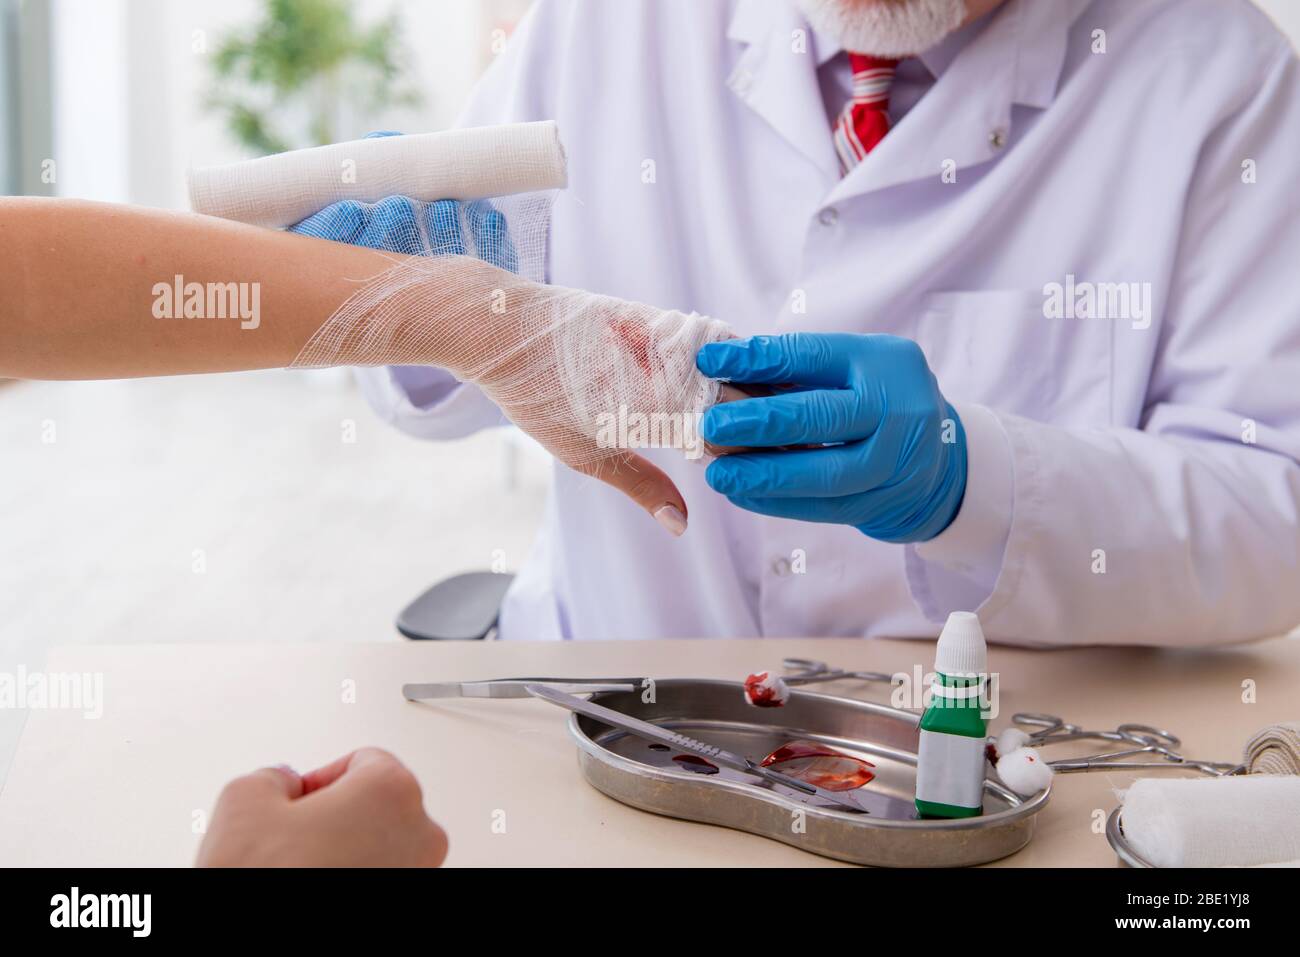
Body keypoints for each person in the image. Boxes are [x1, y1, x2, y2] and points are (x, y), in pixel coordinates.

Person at [334, 0, 1300, 647]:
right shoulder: (610, 22)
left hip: (973, 763)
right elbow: (434, 386)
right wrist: (410, 296)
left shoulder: (1223, 79)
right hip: (601, 705)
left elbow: (1275, 513)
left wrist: (977, 479)